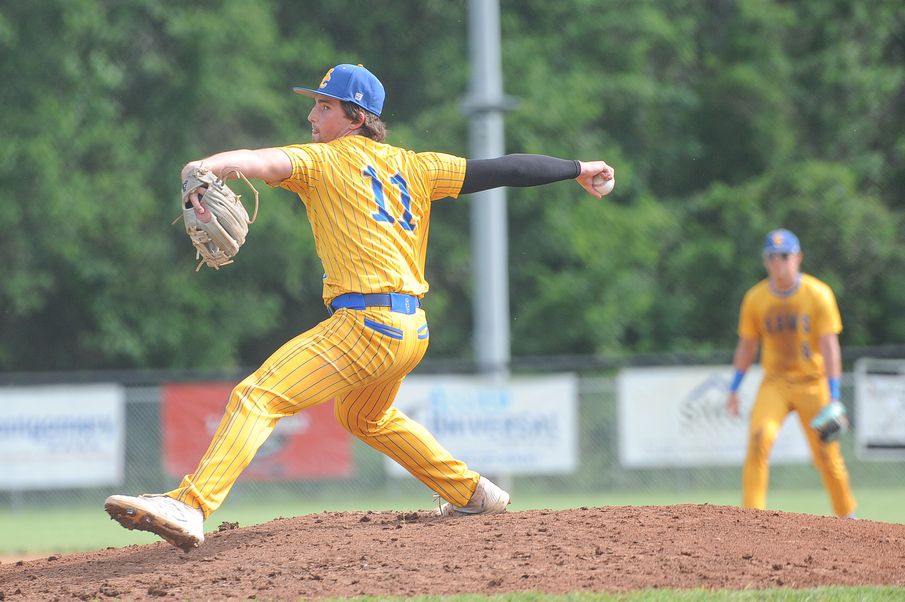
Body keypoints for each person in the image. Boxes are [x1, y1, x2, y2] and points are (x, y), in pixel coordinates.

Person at [104, 63, 616, 551]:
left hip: (366, 326)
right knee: (363, 415)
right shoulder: (418, 166)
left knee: (257, 395)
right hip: (411, 329)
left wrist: (202, 168)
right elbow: (505, 169)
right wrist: (577, 168)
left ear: (357, 117)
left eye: (325, 106)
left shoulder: (321, 161)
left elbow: (259, 160)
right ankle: (473, 494)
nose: (312, 117)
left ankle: (190, 505)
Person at [725, 228, 856, 518]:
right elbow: (747, 346)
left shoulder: (818, 294)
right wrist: (734, 387)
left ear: (798, 257)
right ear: (765, 261)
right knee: (759, 437)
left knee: (826, 455)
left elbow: (830, 347)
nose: (778, 262)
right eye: (772, 256)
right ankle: (752, 519)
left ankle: (848, 518)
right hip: (776, 383)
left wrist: (834, 397)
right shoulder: (756, 299)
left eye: (784, 256)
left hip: (813, 383)